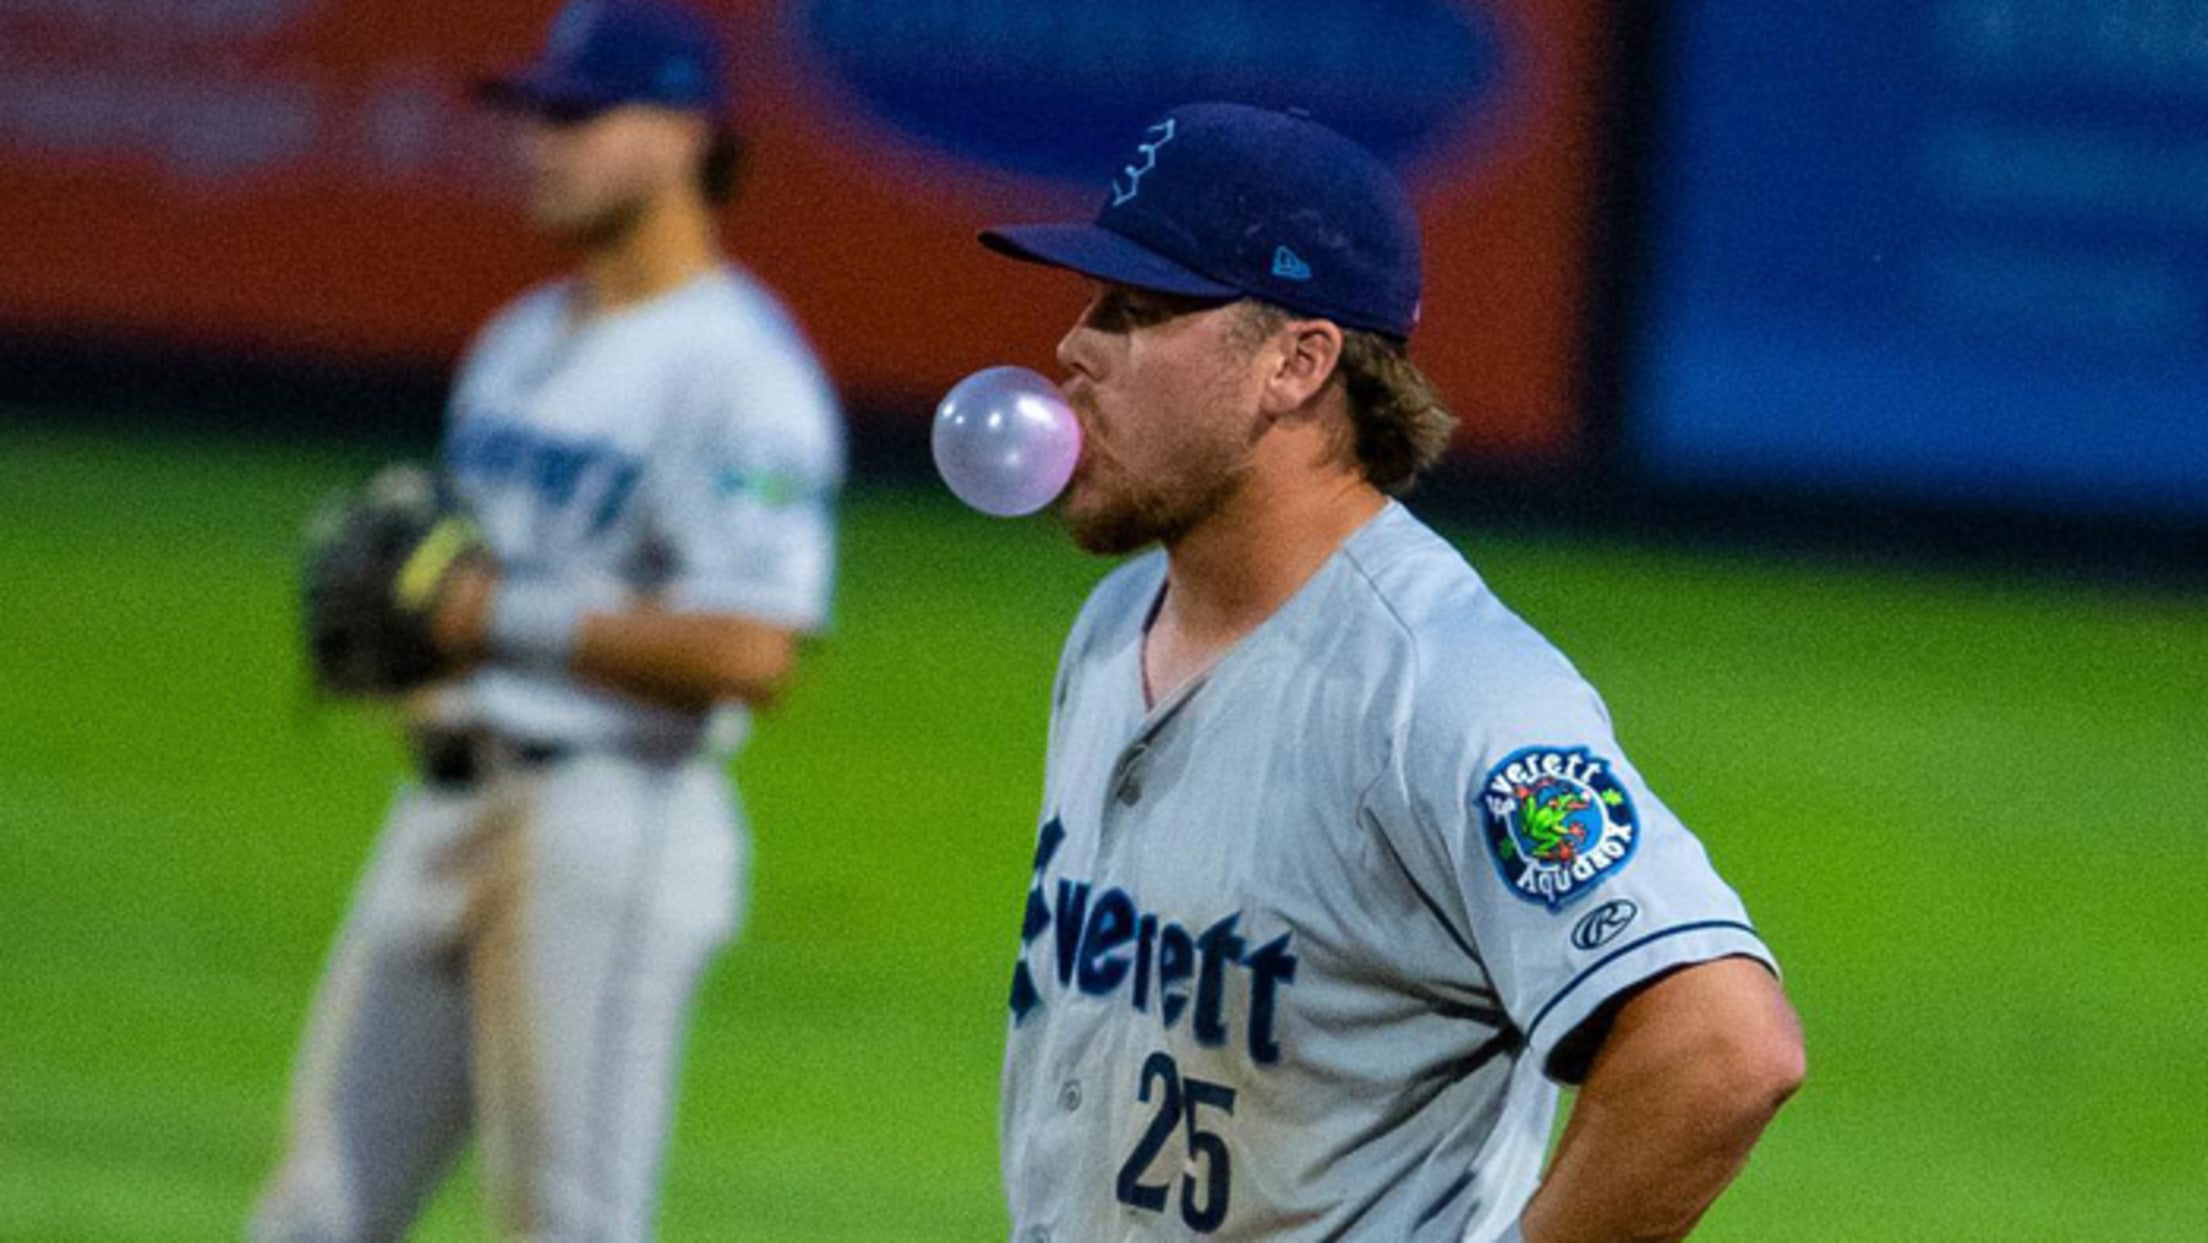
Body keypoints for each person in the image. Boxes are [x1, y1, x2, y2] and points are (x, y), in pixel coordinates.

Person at [978, 102, 1803, 1242]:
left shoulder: (1448, 690)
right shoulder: (1118, 623)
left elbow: (1725, 1046)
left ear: (1296, 361)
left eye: (1138, 310)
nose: (1073, 347)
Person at [251, 2, 844, 1238]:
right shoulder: (519, 338)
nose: (540, 143)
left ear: (685, 134)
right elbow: (458, 584)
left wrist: (493, 617)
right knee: (315, 1210)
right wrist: (435, 653)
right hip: (442, 798)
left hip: (609, 818)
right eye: (533, 114)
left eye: (576, 115)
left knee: (569, 1223)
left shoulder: (742, 374)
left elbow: (753, 650)